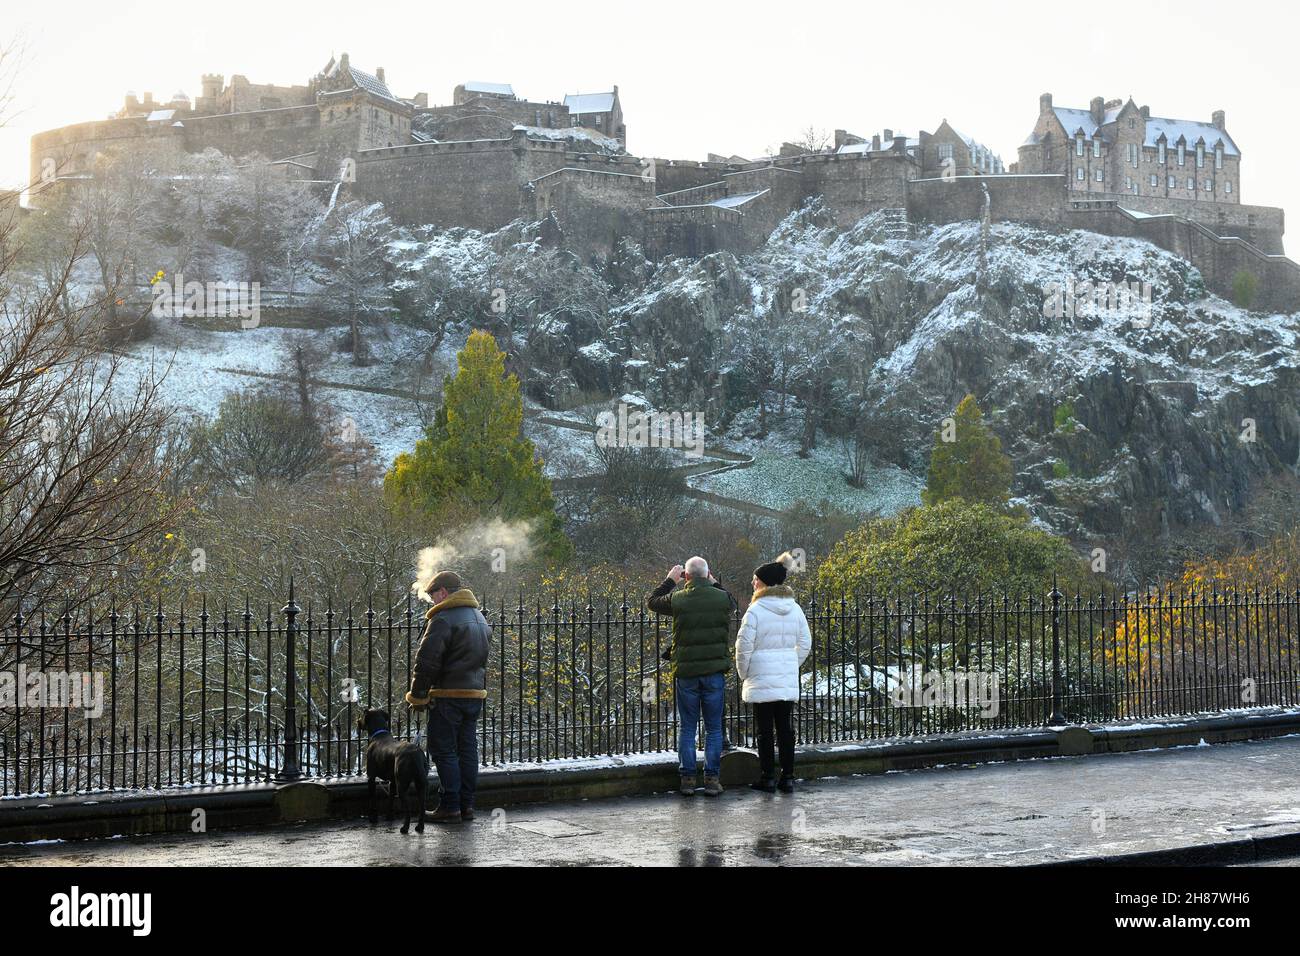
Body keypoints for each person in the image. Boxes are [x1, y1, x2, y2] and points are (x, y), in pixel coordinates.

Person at [405, 570, 490, 823]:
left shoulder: (443, 619)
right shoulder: (479, 618)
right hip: (474, 695)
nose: (431, 600)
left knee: (443, 750)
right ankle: (466, 806)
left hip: (447, 696)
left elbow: (427, 661)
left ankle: (449, 806)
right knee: (467, 750)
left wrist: (418, 695)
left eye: (433, 595)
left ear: (443, 591)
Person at [647, 556, 735, 797]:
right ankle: (712, 779)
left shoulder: (678, 599)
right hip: (714, 673)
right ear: (707, 574)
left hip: (686, 673)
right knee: (714, 728)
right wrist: (715, 583)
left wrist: (669, 581)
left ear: (686, 576)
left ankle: (687, 779)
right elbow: (733, 603)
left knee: (687, 727)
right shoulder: (722, 598)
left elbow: (652, 602)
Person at [735, 554, 810, 794]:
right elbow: (805, 642)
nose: (752, 583)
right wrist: (790, 663)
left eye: (755, 579)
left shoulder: (755, 610)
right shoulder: (795, 608)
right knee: (786, 730)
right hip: (785, 678)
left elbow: (743, 646)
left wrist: (744, 672)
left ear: (764, 583)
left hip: (760, 678)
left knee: (764, 731)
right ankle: (787, 777)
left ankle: (767, 777)